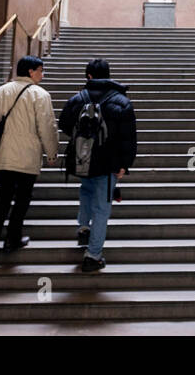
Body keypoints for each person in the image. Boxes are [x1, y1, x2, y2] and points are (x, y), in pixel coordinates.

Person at [59, 58, 137, 272]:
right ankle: (93, 256)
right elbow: (128, 137)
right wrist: (125, 163)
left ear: (89, 76)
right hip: (109, 162)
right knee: (102, 208)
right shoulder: (121, 101)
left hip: (83, 158)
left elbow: (63, 123)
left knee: (86, 189)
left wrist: (85, 138)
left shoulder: (78, 98)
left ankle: (84, 228)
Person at [0, 55, 57, 256]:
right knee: (22, 198)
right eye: (41, 70)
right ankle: (12, 239)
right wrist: (52, 152)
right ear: (31, 71)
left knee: (3, 195)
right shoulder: (40, 95)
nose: (43, 74)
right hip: (26, 156)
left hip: (2, 156)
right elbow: (47, 127)